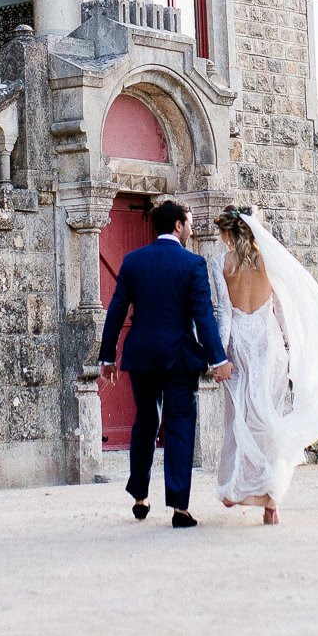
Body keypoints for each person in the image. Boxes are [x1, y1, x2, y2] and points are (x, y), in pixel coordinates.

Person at [98, 199, 232, 528]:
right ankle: (179, 507)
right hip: (179, 357)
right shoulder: (192, 264)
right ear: (177, 226)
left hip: (142, 354)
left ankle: (140, 496)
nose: (190, 228)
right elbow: (204, 316)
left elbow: (115, 311)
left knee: (145, 421)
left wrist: (107, 356)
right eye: (188, 223)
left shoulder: (133, 262)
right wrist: (219, 358)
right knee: (179, 425)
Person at [209, 204, 318, 525]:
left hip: (241, 344)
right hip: (270, 344)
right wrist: (291, 348)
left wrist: (220, 355)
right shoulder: (267, 260)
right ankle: (272, 500)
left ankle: (237, 486)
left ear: (227, 233)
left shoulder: (220, 263)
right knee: (271, 416)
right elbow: (282, 308)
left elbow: (224, 313)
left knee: (240, 415)